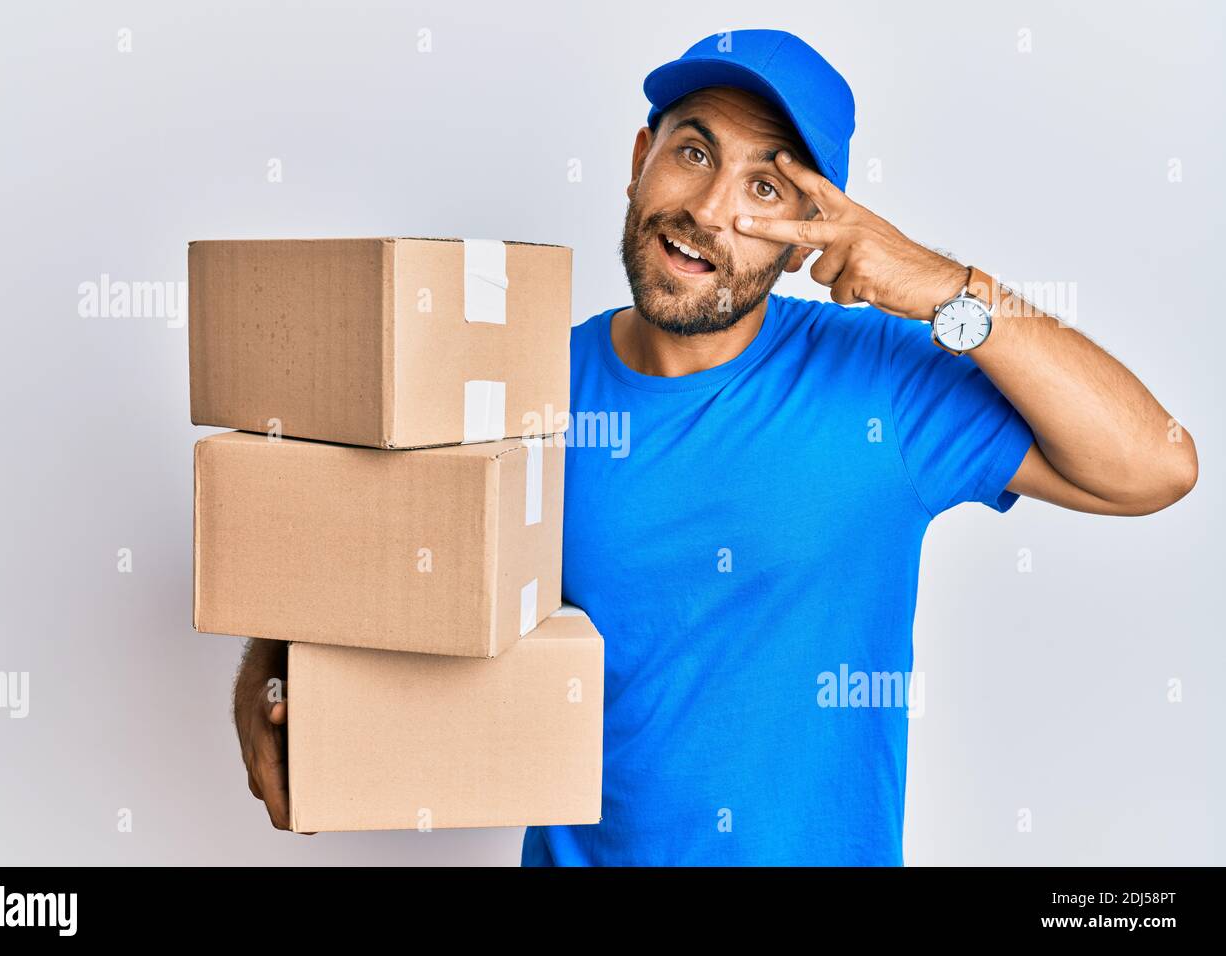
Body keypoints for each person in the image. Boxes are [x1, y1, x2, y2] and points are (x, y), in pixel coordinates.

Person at [234, 29, 1197, 865]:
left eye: (768, 185)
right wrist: (274, 669)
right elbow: (382, 564)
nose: (713, 209)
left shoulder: (887, 383)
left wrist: (946, 287)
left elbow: (1155, 465)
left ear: (811, 231)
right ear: (640, 158)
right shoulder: (520, 384)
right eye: (694, 152)